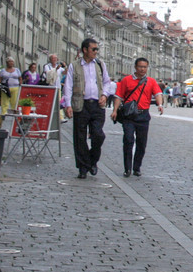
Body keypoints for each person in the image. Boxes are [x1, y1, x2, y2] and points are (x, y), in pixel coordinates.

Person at [61, 38, 114, 179]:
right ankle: (83, 167)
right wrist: (67, 104)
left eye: (97, 49)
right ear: (85, 50)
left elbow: (107, 82)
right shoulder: (75, 65)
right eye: (94, 49)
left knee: (98, 134)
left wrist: (104, 94)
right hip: (81, 104)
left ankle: (92, 160)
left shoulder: (100, 64)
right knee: (80, 137)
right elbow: (68, 86)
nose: (96, 52)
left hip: (97, 105)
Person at [112, 57, 163, 177]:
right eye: (140, 66)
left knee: (141, 143)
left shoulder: (151, 81)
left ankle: (137, 167)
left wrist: (160, 105)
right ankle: (127, 168)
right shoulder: (126, 80)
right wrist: (115, 110)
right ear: (135, 67)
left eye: (145, 67)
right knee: (128, 140)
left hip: (143, 115)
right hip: (129, 115)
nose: (142, 69)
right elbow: (119, 96)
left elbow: (157, 93)